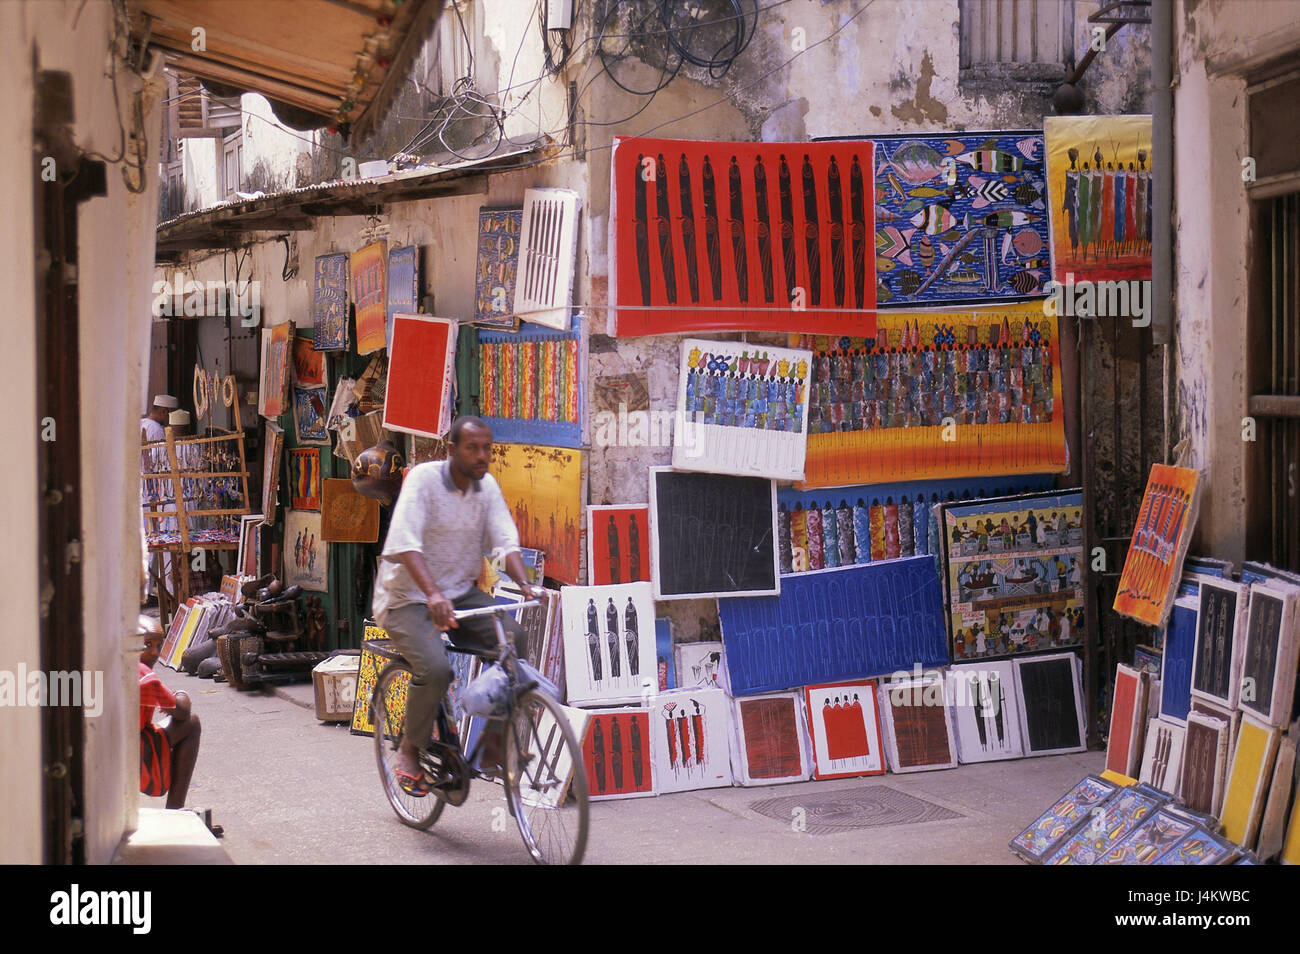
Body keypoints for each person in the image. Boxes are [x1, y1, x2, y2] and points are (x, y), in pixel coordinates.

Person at [372, 415, 538, 796]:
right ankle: (409, 751)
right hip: (407, 599)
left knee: (514, 640)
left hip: (460, 593)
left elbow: (505, 543)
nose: (483, 457)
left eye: (487, 449)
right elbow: (405, 544)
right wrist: (432, 594)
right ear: (451, 451)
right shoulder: (423, 482)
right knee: (435, 669)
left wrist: (525, 584)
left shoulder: (486, 487)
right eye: (473, 448)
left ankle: (494, 744)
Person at [138, 617, 202, 810]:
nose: (155, 652)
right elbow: (182, 711)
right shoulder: (143, 674)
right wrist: (180, 693)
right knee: (191, 723)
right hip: (132, 749)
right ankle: (175, 809)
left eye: (158, 645)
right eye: (147, 645)